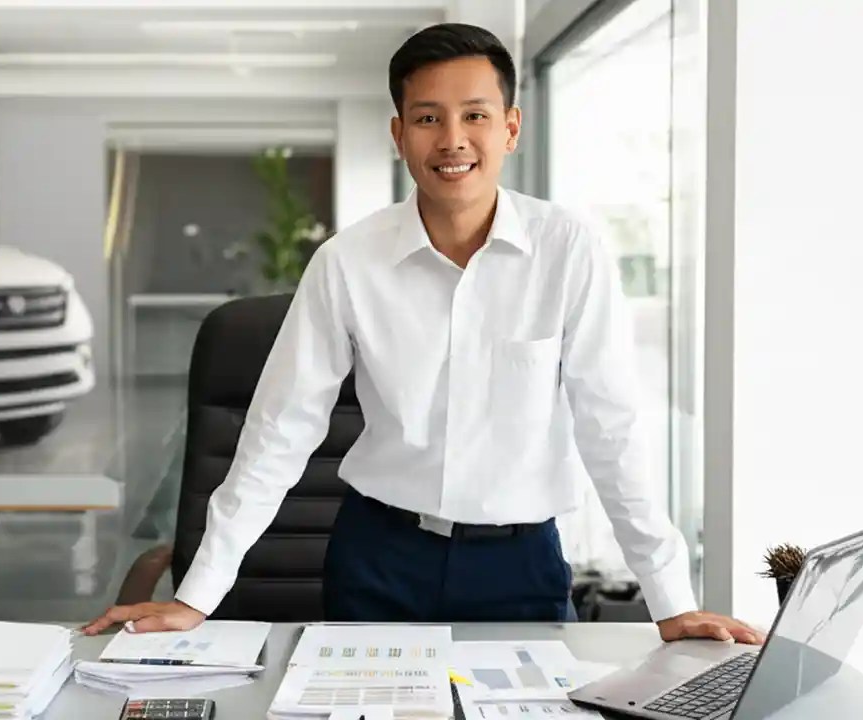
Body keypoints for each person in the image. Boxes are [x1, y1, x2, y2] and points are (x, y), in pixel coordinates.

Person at [84, 22, 763, 645]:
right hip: (379, 556)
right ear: (399, 133)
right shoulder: (348, 263)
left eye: (475, 116)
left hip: (519, 564)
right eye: (428, 118)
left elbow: (610, 430)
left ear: (512, 128)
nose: (452, 139)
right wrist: (197, 596)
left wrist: (670, 599)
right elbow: (278, 432)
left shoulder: (568, 251)